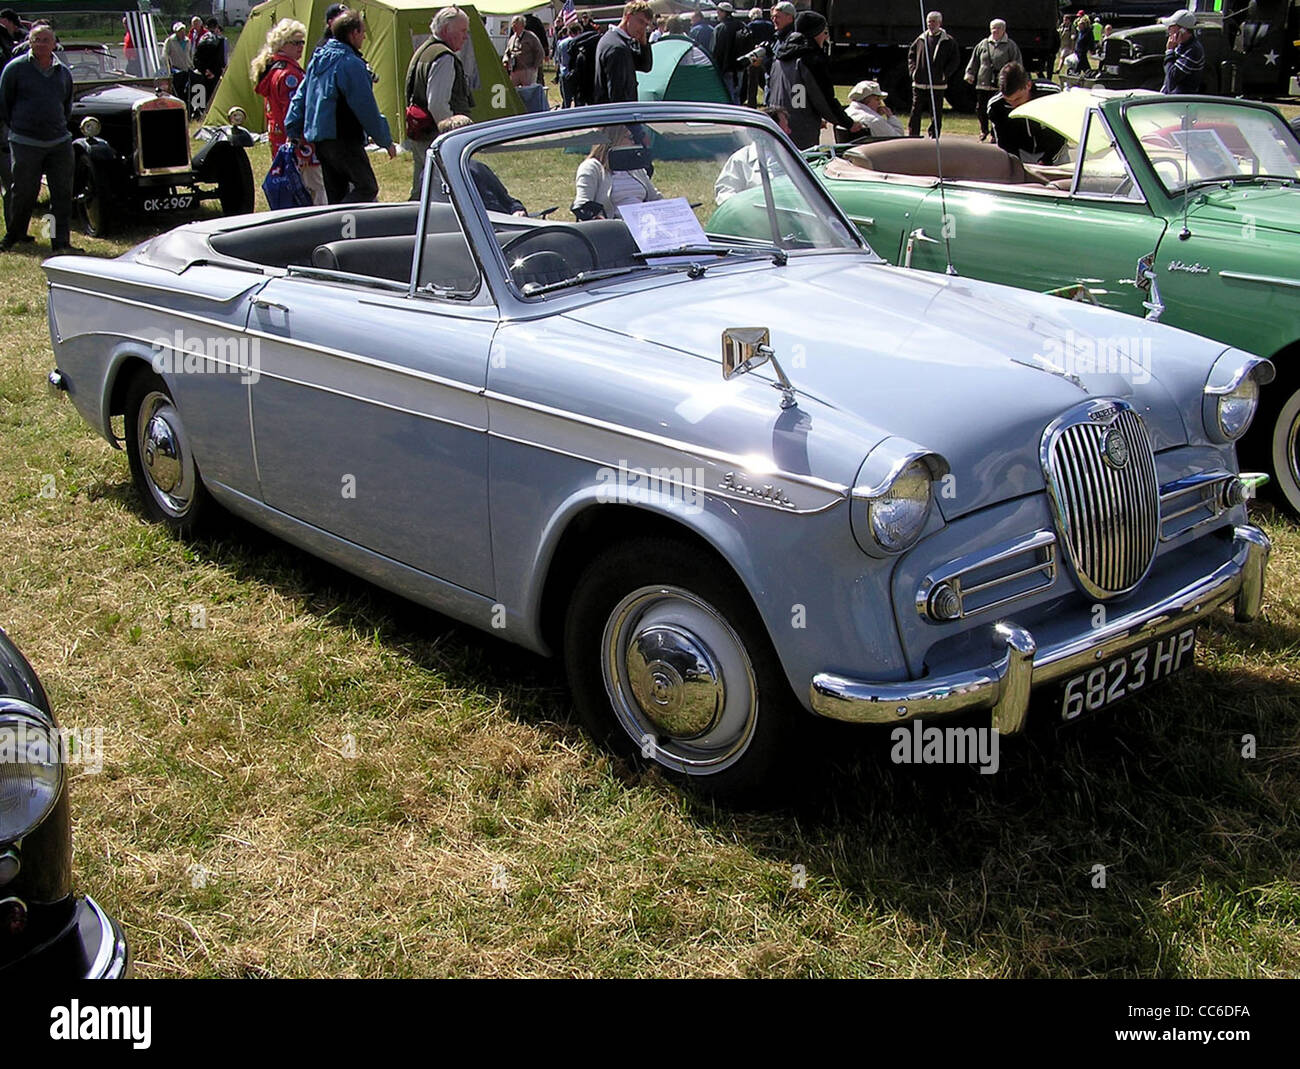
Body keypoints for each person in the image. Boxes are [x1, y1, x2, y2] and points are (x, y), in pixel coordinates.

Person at [284, 10, 396, 204]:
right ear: (353, 33)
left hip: (321, 140)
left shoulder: (318, 60)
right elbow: (366, 108)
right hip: (344, 137)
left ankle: (339, 231)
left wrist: (292, 127)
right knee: (367, 187)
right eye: (362, 32)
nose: (363, 37)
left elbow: (300, 97)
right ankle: (343, 222)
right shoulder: (350, 63)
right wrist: (385, 140)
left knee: (336, 195)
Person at [0, 23, 79, 253]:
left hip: (58, 141)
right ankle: (14, 236)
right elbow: (5, 102)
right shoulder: (15, 69)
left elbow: (66, 104)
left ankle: (58, 241)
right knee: (24, 193)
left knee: (61, 194)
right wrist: (18, 127)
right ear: (29, 43)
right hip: (25, 141)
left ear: (54, 44)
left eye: (46, 40)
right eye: (37, 39)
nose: (41, 44)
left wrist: (58, 127)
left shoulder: (62, 71)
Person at [253, 19, 325, 206]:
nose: (301, 47)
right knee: (314, 192)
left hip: (279, 140)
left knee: (292, 192)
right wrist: (304, 144)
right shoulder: (289, 75)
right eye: (295, 43)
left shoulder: (273, 70)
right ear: (282, 45)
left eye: (302, 42)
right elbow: (295, 112)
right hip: (299, 144)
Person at [404, 7, 472, 200]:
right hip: (435, 133)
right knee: (438, 189)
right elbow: (438, 104)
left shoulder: (424, 50)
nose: (465, 37)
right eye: (462, 31)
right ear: (446, 31)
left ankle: (413, 221)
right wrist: (451, 136)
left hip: (421, 130)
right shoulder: (443, 57)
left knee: (421, 186)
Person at [767, 11, 860, 150]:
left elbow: (794, 93)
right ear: (816, 32)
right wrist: (848, 123)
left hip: (776, 123)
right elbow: (823, 98)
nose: (825, 36)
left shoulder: (779, 56)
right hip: (800, 130)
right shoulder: (811, 58)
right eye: (825, 32)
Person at [438, 114, 526, 215]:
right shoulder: (474, 169)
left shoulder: (429, 174)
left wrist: (516, 208)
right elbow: (499, 201)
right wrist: (517, 209)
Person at [572, 125, 661, 219]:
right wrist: (597, 218)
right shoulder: (592, 167)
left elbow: (655, 198)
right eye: (629, 138)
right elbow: (582, 205)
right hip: (614, 228)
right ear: (615, 139)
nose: (633, 142)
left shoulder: (634, 167)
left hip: (642, 225)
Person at [987, 62, 1065, 164]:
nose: (1014, 105)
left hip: (1055, 152)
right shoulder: (996, 106)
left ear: (1028, 85)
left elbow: (1061, 132)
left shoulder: (1052, 94)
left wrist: (1046, 160)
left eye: (1018, 99)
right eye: (1009, 101)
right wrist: (1015, 164)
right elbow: (1004, 143)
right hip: (1021, 153)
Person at [715, 105, 790, 203]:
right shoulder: (741, 159)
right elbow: (724, 192)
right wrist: (745, 206)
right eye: (785, 127)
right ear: (769, 130)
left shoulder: (795, 157)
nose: (789, 131)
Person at [965, 19, 1021, 141]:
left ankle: (995, 133)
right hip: (983, 82)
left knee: (997, 110)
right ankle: (983, 130)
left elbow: (1016, 63)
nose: (995, 31)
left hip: (1000, 84)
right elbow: (974, 60)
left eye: (998, 28)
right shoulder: (983, 44)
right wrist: (970, 74)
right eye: (993, 28)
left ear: (1003, 30)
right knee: (981, 108)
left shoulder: (1010, 45)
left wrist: (1013, 79)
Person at [908, 11, 959, 139]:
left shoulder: (949, 41)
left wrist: (944, 74)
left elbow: (955, 60)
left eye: (933, 21)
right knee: (915, 111)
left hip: (937, 85)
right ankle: (913, 135)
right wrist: (913, 71)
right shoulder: (920, 39)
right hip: (919, 82)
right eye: (929, 21)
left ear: (940, 23)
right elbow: (911, 55)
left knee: (936, 112)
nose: (931, 24)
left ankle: (934, 136)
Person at [594, 1, 653, 105]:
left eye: (646, 25)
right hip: (619, 116)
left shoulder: (616, 40)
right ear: (628, 17)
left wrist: (643, 42)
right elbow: (618, 96)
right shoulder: (617, 48)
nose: (643, 28)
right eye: (641, 22)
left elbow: (645, 66)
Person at [1161, 9, 1204, 94]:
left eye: (1171, 27)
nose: (1168, 30)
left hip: (1181, 100)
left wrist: (1169, 51)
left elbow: (1172, 77)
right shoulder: (1181, 45)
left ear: (1182, 30)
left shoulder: (1192, 50)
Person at [711, 3, 747, 104]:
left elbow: (715, 50)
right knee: (737, 95)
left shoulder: (720, 28)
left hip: (725, 68)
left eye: (719, 11)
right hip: (740, 67)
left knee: (727, 96)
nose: (717, 13)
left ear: (723, 13)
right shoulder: (741, 25)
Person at [192, 18, 227, 117]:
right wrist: (214, 72)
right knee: (214, 96)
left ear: (206, 27)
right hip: (215, 73)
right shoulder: (220, 40)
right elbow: (221, 60)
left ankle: (200, 114)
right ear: (216, 27)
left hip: (203, 74)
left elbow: (196, 58)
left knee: (202, 96)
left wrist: (205, 70)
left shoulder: (201, 39)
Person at [743, 8, 774, 106]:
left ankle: (752, 103)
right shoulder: (770, 25)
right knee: (767, 80)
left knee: (753, 82)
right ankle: (768, 100)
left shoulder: (750, 26)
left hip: (755, 55)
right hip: (767, 55)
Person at [503, 14, 543, 87]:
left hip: (527, 71)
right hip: (514, 70)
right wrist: (505, 61)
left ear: (522, 25)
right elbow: (507, 52)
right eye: (513, 24)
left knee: (527, 92)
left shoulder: (531, 36)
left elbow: (540, 52)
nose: (513, 26)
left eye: (516, 24)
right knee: (514, 92)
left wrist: (534, 67)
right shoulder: (512, 38)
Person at [165, 21, 193, 106]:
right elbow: (164, 56)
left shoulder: (188, 40)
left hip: (187, 69)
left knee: (187, 91)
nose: (182, 33)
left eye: (183, 30)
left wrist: (192, 65)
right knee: (178, 91)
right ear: (176, 32)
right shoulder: (170, 41)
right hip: (176, 70)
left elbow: (191, 54)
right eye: (180, 31)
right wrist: (169, 69)